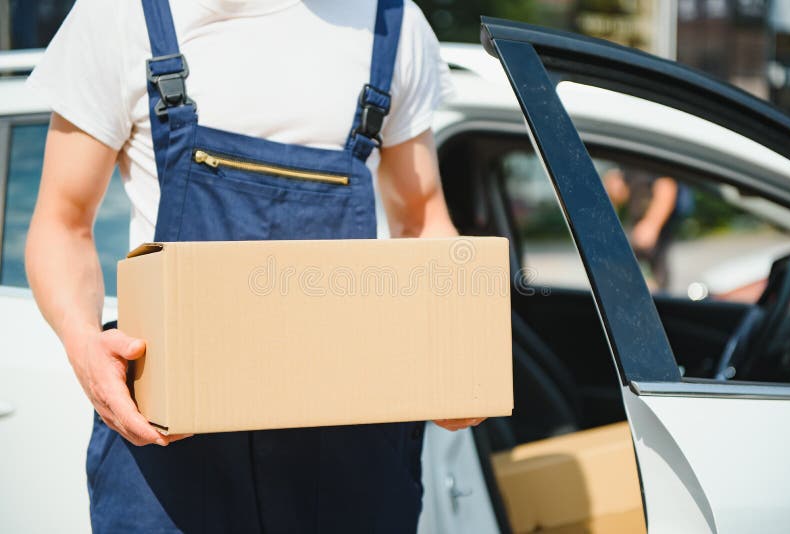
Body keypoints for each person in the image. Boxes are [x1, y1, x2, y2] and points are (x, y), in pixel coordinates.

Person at [24, 0, 483, 531]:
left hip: (345, 452)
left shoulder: (393, 24)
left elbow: (423, 219)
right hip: (170, 450)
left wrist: (454, 360)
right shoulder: (122, 15)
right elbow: (62, 223)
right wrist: (83, 346)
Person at [603, 165, 683, 290]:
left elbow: (667, 187)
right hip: (637, 224)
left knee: (656, 282)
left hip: (655, 228)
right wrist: (613, 185)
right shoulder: (627, 162)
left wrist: (652, 225)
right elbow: (622, 193)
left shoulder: (651, 159)